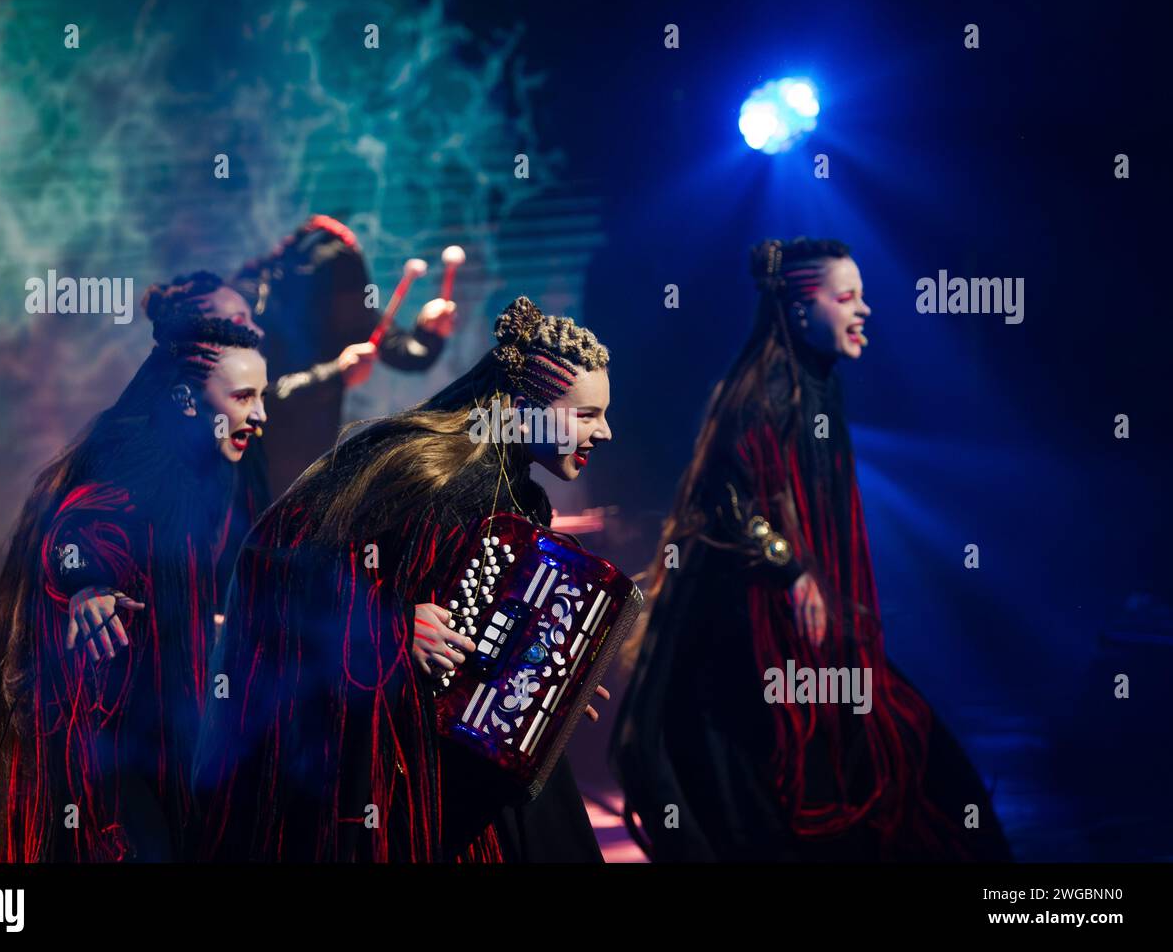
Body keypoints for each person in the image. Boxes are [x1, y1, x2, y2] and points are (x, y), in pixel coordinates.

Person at [612, 238, 1012, 862]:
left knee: (904, 759)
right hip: (761, 633)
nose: (864, 311)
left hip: (803, 628)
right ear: (800, 310)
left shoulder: (815, 381)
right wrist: (790, 569)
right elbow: (727, 501)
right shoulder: (765, 390)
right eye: (847, 297)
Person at [194, 296, 613, 862]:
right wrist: (384, 624)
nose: (604, 432)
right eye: (586, 415)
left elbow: (485, 644)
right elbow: (276, 559)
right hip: (385, 773)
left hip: (462, 763)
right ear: (523, 408)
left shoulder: (524, 501)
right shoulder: (420, 466)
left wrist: (546, 685)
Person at [0, 271, 269, 861]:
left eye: (262, 396)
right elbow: (74, 533)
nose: (260, 414)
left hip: (150, 718)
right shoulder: (144, 449)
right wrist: (87, 585)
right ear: (188, 398)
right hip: (108, 726)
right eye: (244, 398)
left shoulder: (210, 458)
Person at [230, 215, 457, 495]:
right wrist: (335, 374)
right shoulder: (253, 311)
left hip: (311, 464)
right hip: (255, 468)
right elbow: (259, 399)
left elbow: (407, 354)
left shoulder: (348, 306)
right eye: (344, 302)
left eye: (357, 298)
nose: (355, 313)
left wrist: (429, 331)